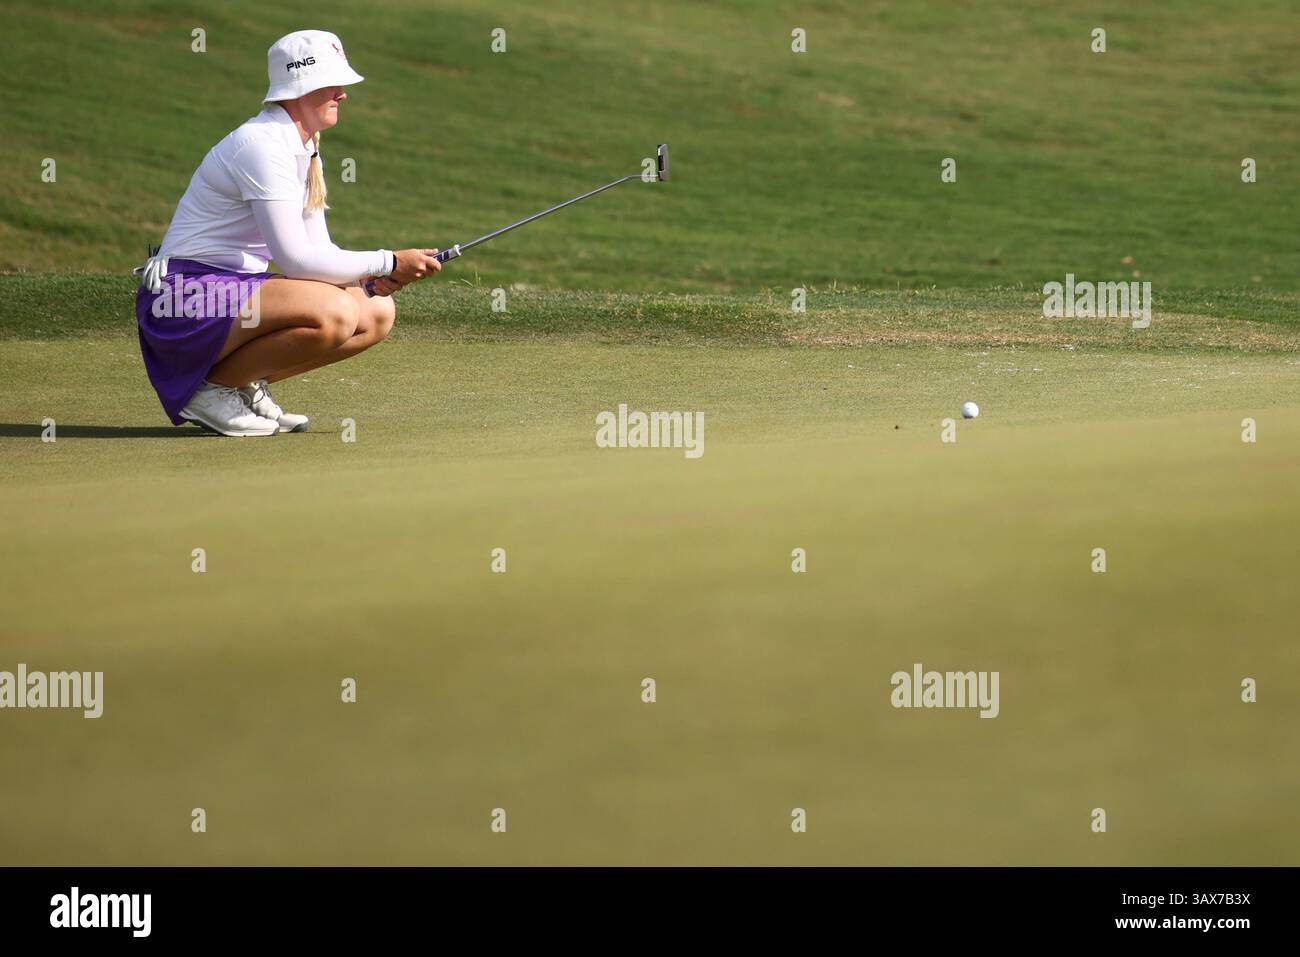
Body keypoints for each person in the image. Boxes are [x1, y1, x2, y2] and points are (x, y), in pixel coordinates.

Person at [134, 29, 441, 436]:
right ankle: (211, 392)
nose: (343, 94)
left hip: (225, 294)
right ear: (303, 85)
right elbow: (296, 261)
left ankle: (241, 385)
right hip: (181, 301)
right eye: (334, 83)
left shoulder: (304, 145)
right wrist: (389, 260)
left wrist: (370, 276)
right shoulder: (262, 145)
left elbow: (319, 249)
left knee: (375, 313)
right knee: (336, 311)